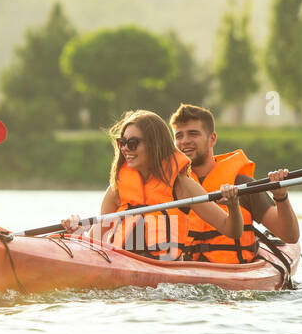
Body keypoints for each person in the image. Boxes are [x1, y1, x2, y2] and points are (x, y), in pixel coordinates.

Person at [61, 110, 244, 261]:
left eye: (132, 143)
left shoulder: (182, 186)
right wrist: (77, 232)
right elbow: (94, 240)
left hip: (165, 275)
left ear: (154, 145)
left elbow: (232, 230)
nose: (124, 149)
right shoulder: (116, 190)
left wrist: (233, 205)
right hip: (123, 265)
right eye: (122, 143)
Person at [170, 103, 299, 263]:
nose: (185, 141)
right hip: (186, 272)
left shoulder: (241, 184)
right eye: (179, 136)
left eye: (193, 134)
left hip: (235, 273)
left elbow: (290, 236)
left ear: (212, 139)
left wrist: (281, 197)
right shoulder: (171, 187)